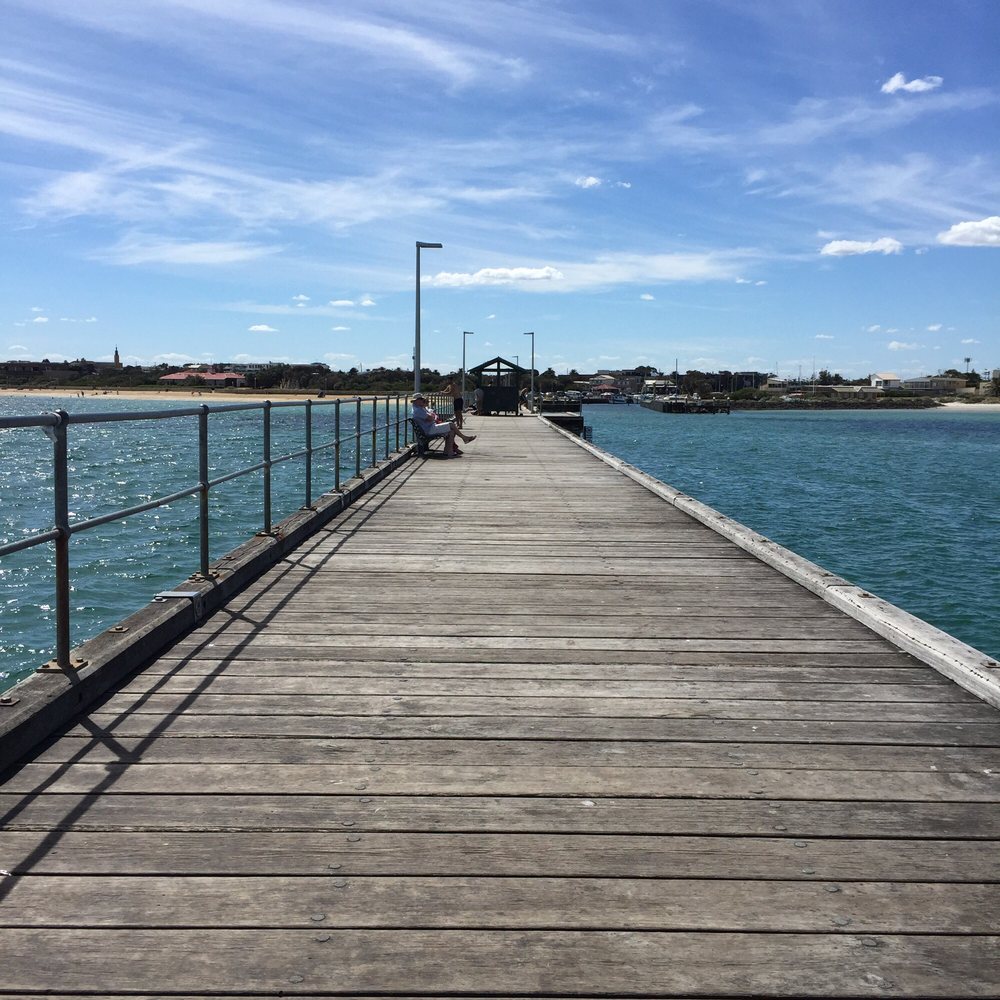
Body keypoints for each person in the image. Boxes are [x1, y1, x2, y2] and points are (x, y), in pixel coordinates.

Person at [412, 393, 476, 458]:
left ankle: (448, 452)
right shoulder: (418, 410)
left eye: (422, 399)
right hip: (429, 430)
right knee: (451, 424)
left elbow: (431, 416)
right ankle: (464, 438)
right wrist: (432, 415)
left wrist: (431, 415)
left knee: (451, 431)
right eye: (421, 399)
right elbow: (431, 418)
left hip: (431, 427)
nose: (422, 401)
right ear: (416, 401)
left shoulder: (420, 408)